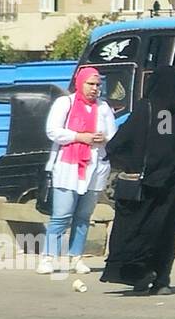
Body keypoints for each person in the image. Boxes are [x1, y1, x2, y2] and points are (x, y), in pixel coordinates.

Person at [101, 68, 175, 294]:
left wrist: (120, 158)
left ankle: (139, 273)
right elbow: (174, 147)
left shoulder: (148, 108)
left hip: (147, 185)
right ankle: (162, 279)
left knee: (137, 229)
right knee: (166, 231)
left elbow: (122, 141)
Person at [39, 66, 118, 275]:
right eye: (90, 84)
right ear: (80, 83)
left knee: (83, 216)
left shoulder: (103, 108)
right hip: (68, 165)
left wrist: (104, 139)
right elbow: (52, 130)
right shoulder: (65, 103)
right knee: (61, 215)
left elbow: (113, 135)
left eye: (98, 85)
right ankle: (48, 257)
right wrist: (79, 137)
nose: (94, 89)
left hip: (95, 165)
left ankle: (76, 257)